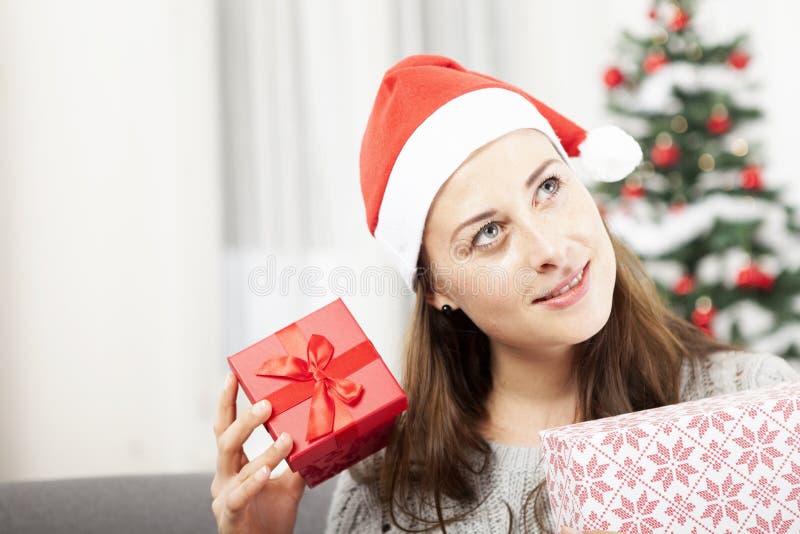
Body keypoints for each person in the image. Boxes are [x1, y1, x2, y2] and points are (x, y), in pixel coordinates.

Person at [210, 54, 800, 534]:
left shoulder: (756, 400)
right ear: (438, 287)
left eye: (548, 186)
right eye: (488, 233)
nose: (551, 247)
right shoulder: (388, 484)